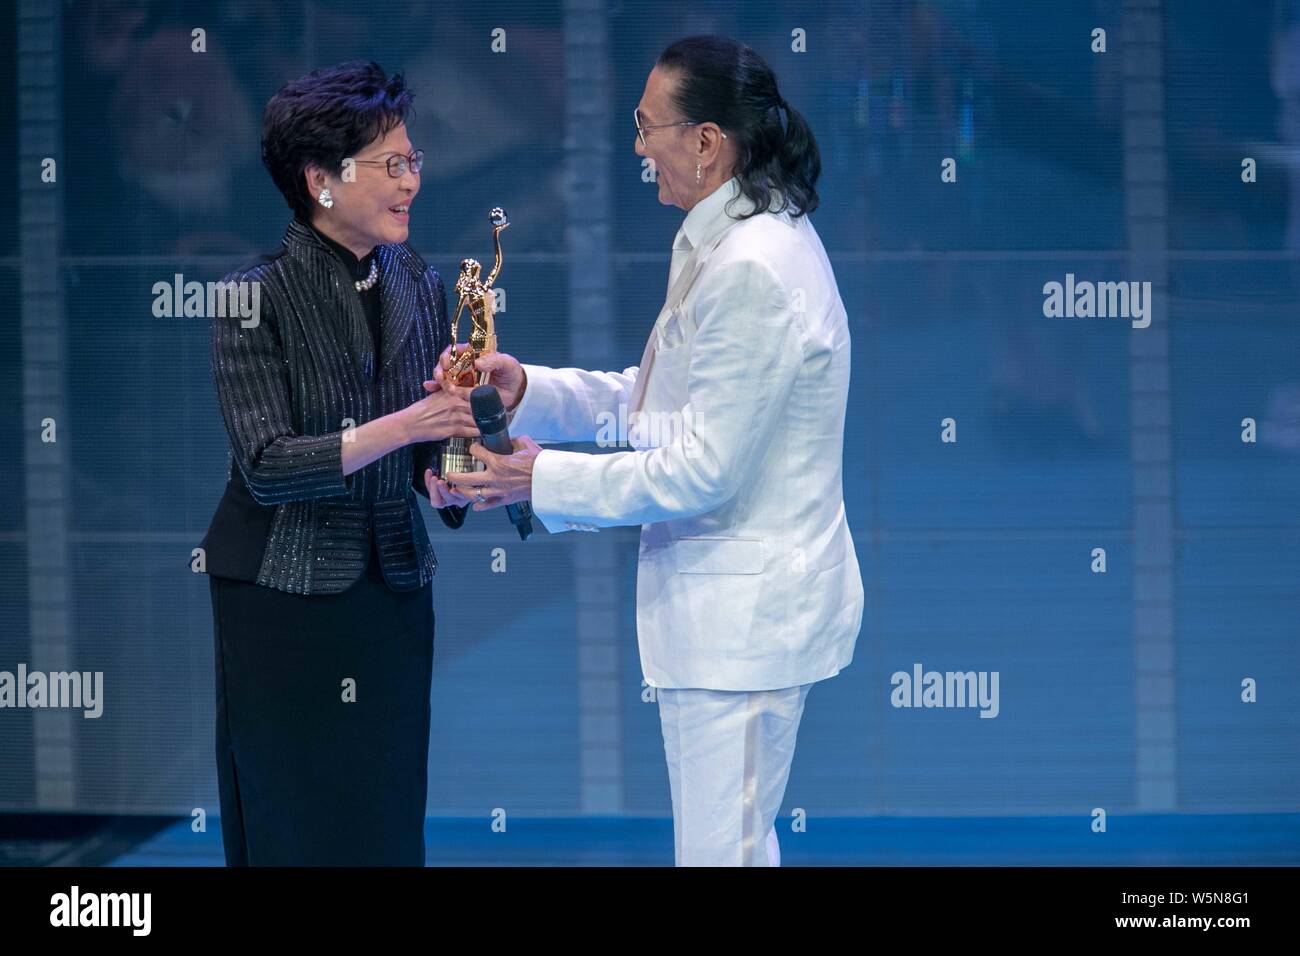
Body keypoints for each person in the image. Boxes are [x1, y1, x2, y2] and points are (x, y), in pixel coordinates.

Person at [440, 36, 864, 866]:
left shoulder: (754, 264)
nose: (636, 148)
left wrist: (538, 477)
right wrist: (532, 389)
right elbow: (661, 398)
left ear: (706, 142)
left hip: (745, 625)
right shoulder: (728, 237)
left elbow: (704, 466)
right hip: (723, 623)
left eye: (646, 127)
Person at [200, 60, 478, 865]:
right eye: (391, 165)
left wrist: (463, 464)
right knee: (294, 810)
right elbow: (269, 464)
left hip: (392, 586)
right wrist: (405, 426)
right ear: (320, 180)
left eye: (413, 161)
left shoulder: (423, 283)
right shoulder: (249, 297)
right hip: (282, 595)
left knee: (387, 812)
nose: (411, 183)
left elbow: (428, 445)